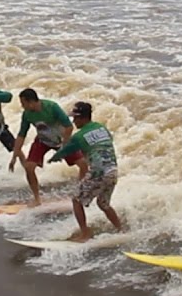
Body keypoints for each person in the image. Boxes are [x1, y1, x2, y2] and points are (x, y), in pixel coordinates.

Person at [49, 102, 123, 242]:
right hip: (113, 171)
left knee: (76, 200)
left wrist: (54, 158)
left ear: (82, 118)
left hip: (99, 173)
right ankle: (120, 229)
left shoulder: (79, 136)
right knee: (103, 204)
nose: (73, 121)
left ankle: (85, 233)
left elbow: (65, 151)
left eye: (75, 118)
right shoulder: (102, 128)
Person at [9, 88, 85, 206]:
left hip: (61, 140)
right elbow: (21, 134)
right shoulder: (27, 114)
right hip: (42, 141)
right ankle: (37, 199)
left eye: (23, 103)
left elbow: (69, 127)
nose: (22, 106)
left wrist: (64, 146)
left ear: (31, 102)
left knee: (83, 164)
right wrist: (15, 155)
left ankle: (82, 193)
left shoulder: (52, 107)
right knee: (29, 168)